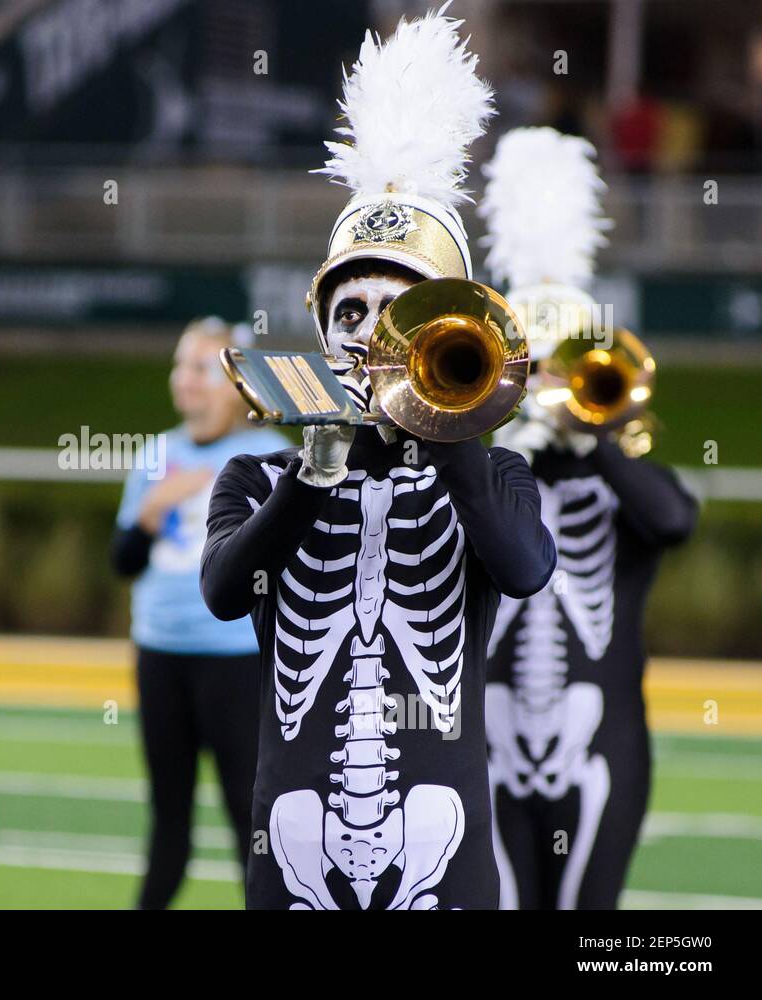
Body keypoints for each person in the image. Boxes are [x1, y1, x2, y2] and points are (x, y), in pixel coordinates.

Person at [199, 5, 556, 910]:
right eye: (347, 314)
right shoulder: (257, 476)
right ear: (321, 330)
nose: (366, 336)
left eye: (398, 316)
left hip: (446, 843)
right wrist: (313, 471)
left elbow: (523, 569)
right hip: (295, 842)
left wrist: (451, 429)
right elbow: (223, 590)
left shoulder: (495, 478)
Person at [479, 126, 699, 909]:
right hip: (491, 738)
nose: (551, 382)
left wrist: (591, 437)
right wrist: (512, 447)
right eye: (533, 367)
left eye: (564, 365)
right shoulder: (492, 471)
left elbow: (673, 520)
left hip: (602, 744)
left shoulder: (624, 474)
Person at [111, 317, 288, 909]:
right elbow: (123, 561)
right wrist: (149, 510)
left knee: (250, 813)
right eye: (181, 365)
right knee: (168, 818)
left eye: (203, 369)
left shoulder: (269, 455)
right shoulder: (157, 454)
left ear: (237, 384)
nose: (186, 380)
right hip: (160, 655)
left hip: (236, 660)